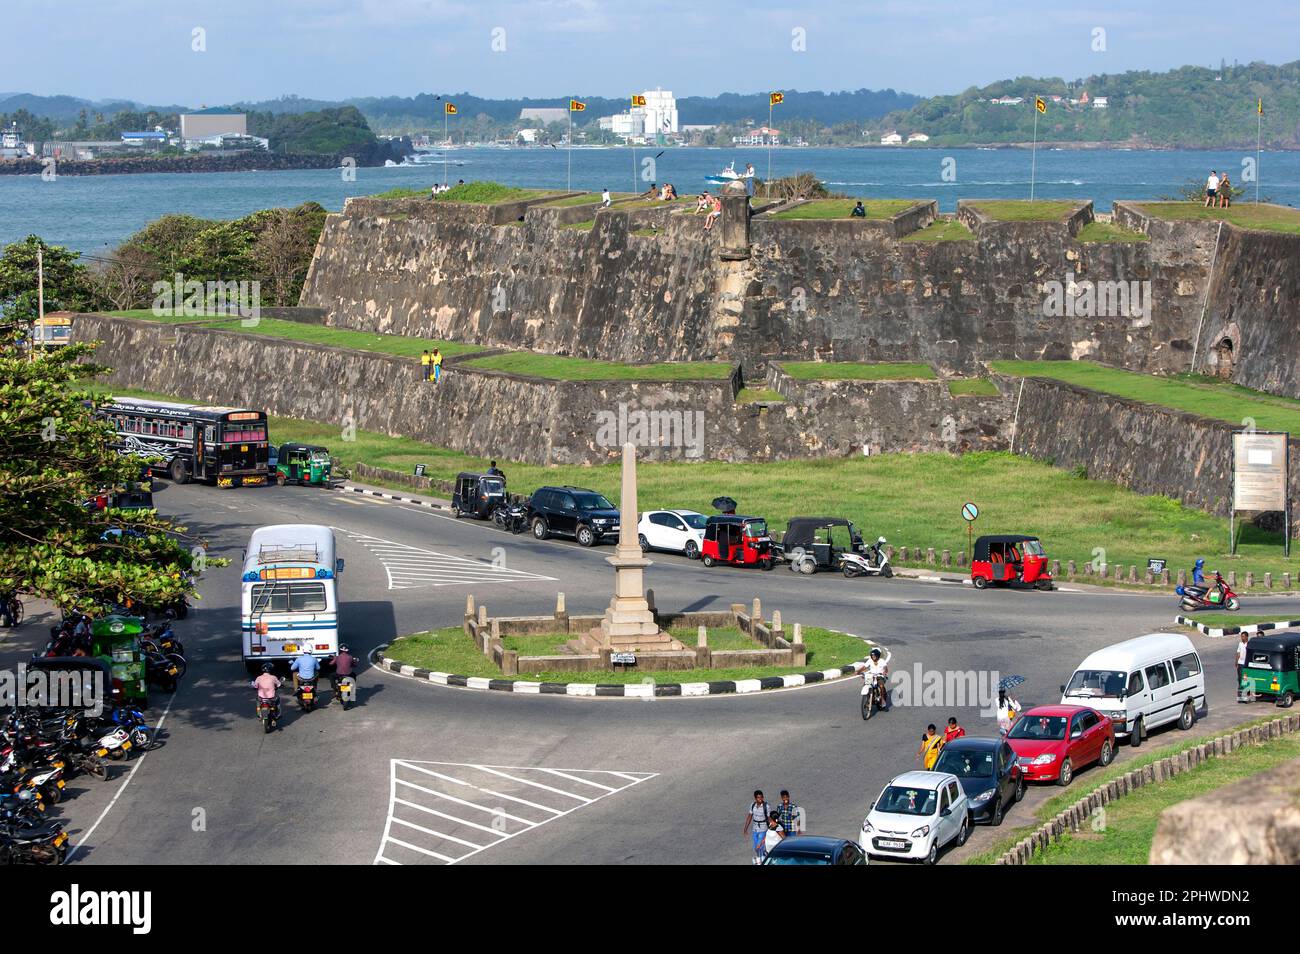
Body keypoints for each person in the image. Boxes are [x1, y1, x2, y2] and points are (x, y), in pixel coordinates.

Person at [742, 790, 769, 864]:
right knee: (756, 848)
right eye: (758, 797)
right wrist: (745, 829)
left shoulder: (766, 806)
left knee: (760, 847)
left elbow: (769, 818)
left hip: (763, 829)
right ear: (755, 798)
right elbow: (749, 817)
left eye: (761, 797)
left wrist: (770, 829)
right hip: (755, 829)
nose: (760, 799)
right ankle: (764, 857)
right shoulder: (753, 805)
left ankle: (762, 862)